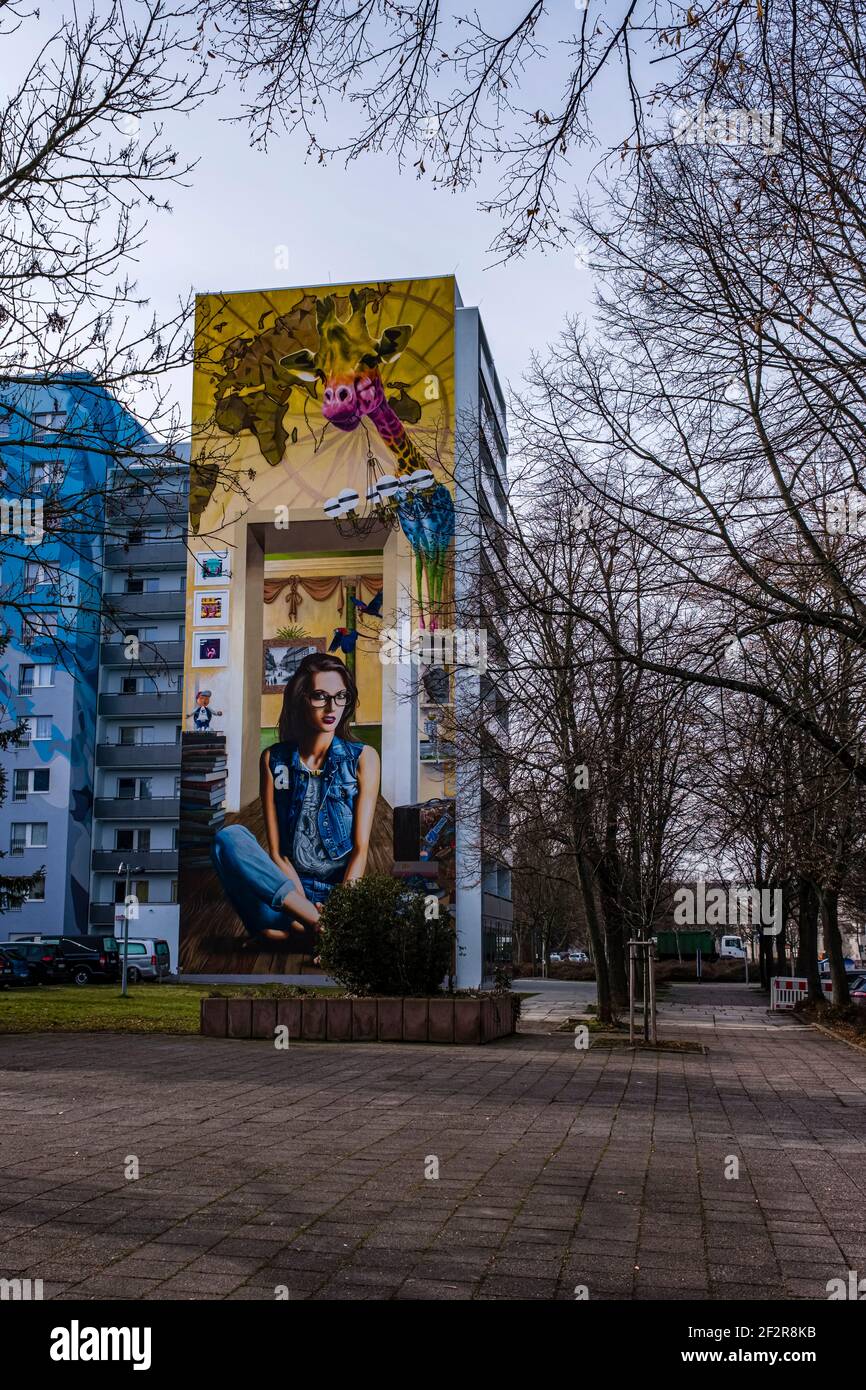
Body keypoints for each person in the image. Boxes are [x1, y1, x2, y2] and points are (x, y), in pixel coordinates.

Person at [212, 653, 380, 948]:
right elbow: (279, 854)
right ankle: (317, 929)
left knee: (277, 932)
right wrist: (307, 912)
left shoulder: (363, 758)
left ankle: (307, 932)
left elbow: (361, 850)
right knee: (228, 838)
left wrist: (341, 914)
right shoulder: (274, 760)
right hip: (286, 895)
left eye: (340, 696)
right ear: (301, 698)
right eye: (320, 696)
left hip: (339, 896)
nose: (332, 707)